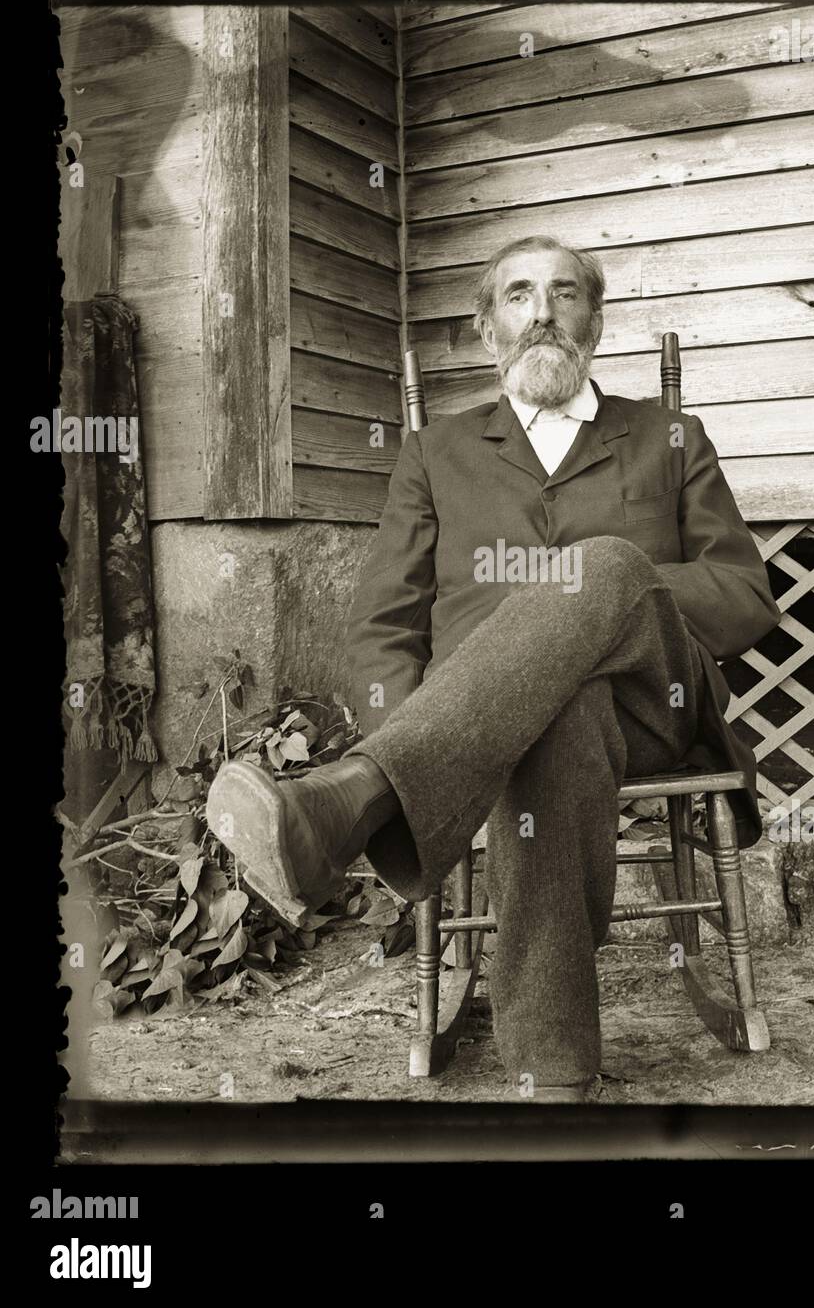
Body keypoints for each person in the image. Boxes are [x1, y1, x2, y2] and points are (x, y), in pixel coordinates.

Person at [206, 235, 781, 1101]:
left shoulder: (668, 437)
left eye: (564, 293)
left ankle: (360, 796)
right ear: (487, 329)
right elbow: (381, 627)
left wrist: (599, 578)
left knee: (605, 565)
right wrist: (423, 723)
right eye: (518, 295)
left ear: (595, 316)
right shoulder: (437, 453)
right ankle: (555, 1071)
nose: (542, 311)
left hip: (653, 701)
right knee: (554, 717)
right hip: (512, 725)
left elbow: (743, 594)